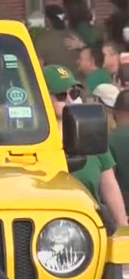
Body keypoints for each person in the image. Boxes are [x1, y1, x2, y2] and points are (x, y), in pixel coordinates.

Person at [43, 65, 128, 228]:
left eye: (73, 93)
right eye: (61, 95)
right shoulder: (31, 139)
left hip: (92, 226)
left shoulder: (90, 132)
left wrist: (122, 226)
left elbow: (109, 186)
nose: (69, 99)